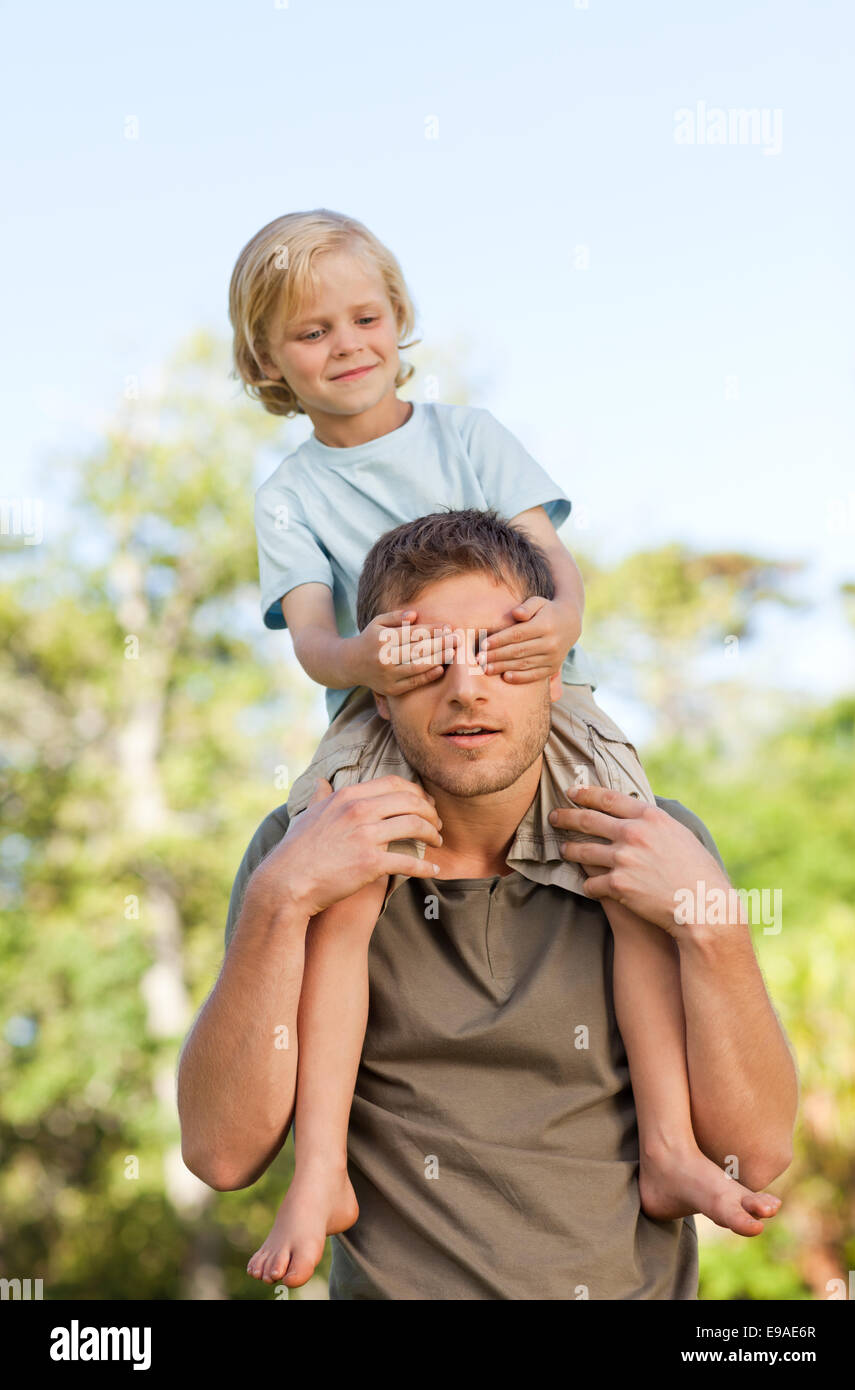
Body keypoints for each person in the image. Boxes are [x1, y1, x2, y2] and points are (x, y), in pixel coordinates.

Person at [216, 207, 795, 1288]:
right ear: (266, 362)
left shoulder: (468, 437)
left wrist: (554, 629)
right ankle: (321, 1169)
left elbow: (552, 570)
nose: (345, 345)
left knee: (629, 867)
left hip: (549, 690)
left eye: (365, 317)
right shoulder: (290, 493)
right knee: (336, 895)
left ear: (400, 321)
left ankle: (666, 1146)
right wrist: (369, 657)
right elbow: (311, 644)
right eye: (310, 333)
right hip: (378, 708)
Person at [176, 518, 798, 1300]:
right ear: (378, 686)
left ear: (553, 674)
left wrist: (715, 927)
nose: (466, 688)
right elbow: (222, 1156)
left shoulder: (653, 849)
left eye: (501, 657)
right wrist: (279, 896)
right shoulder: (307, 849)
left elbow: (758, 1154)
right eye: (426, 661)